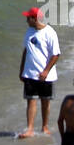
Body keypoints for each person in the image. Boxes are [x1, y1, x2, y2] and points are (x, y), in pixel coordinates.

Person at [17, 7, 60, 138]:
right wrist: (22, 70)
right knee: (31, 101)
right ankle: (30, 128)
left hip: (45, 75)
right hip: (30, 73)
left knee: (45, 101)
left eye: (28, 18)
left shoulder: (50, 32)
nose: (26, 20)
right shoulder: (29, 31)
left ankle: (44, 126)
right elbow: (26, 50)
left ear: (35, 19)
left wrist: (46, 71)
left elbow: (56, 54)